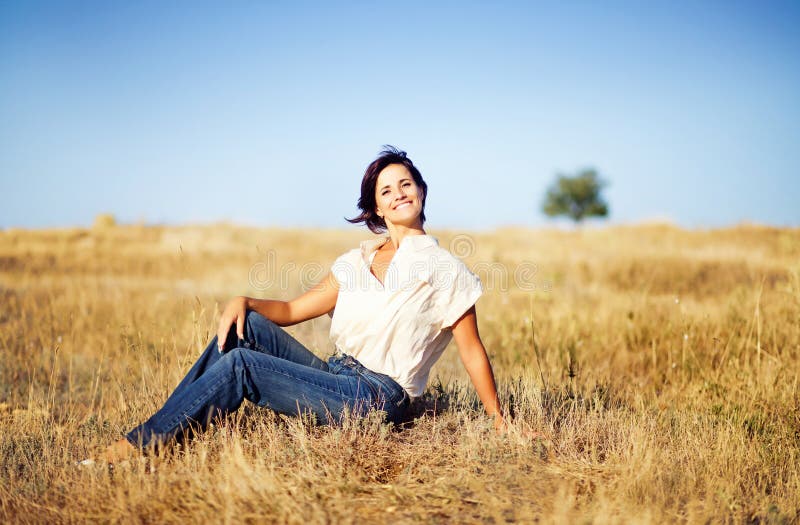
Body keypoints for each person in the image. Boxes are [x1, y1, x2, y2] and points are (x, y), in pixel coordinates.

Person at [88, 145, 507, 464]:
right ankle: (165, 426)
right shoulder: (355, 262)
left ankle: (139, 446)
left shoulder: (444, 267)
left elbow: (471, 350)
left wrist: (500, 422)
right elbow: (291, 311)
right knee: (246, 327)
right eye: (387, 189)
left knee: (242, 366)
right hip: (338, 374)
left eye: (406, 184)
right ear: (375, 207)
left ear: (421, 191)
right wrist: (244, 300)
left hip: (380, 396)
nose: (399, 193)